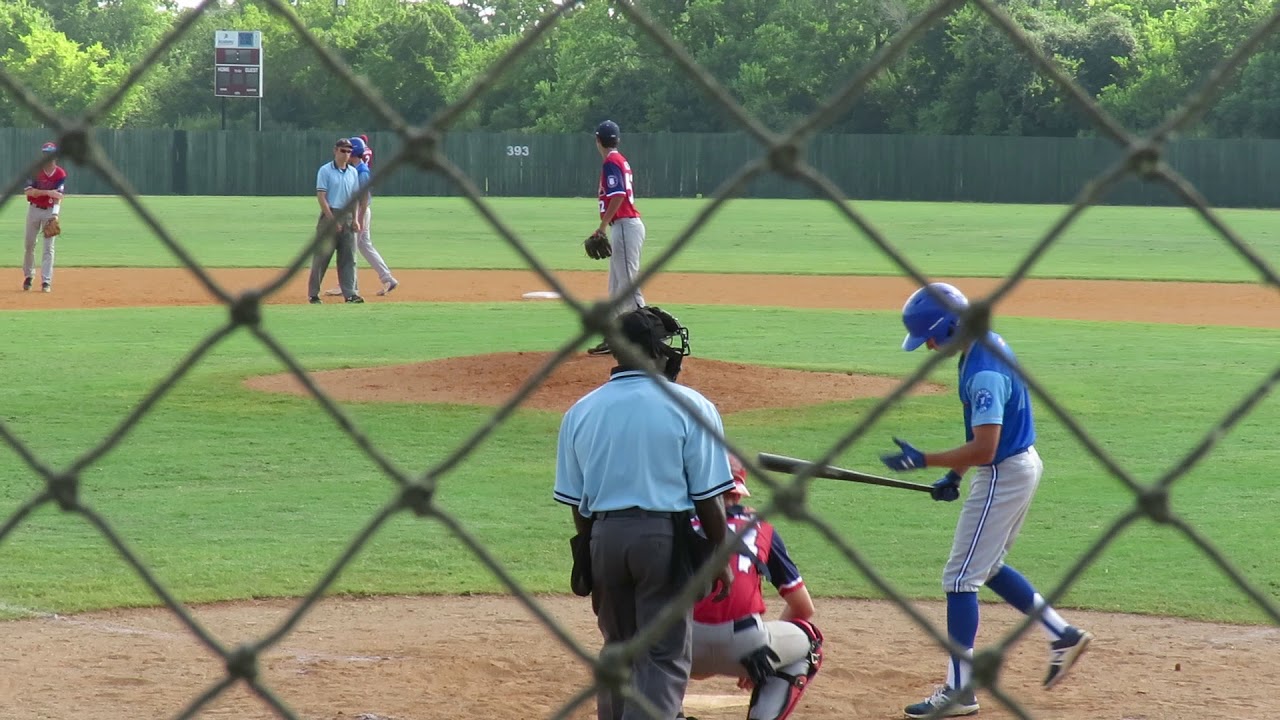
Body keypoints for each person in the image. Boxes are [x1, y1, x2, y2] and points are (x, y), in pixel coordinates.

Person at [879, 282, 1094, 719]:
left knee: (960, 579)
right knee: (987, 566)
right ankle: (1062, 634)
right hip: (1016, 465)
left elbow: (986, 448)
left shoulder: (983, 373)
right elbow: (979, 441)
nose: (929, 348)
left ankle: (960, 690)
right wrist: (953, 474)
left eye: (932, 338)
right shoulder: (985, 344)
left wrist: (924, 459)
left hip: (1003, 472)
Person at [554, 306, 736, 720]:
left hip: (603, 539)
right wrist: (719, 558)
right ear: (655, 348)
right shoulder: (691, 406)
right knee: (662, 654)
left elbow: (576, 501)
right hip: (662, 541)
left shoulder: (581, 411)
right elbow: (708, 499)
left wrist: (590, 552)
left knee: (618, 650)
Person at [685, 454, 824, 720]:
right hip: (745, 646)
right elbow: (803, 608)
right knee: (810, 639)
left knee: (636, 634)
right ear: (739, 494)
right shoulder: (761, 528)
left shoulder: (676, 526)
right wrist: (763, 658)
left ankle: (669, 713)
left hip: (683, 646)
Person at [585, 120, 646, 357]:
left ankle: (647, 334)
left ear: (598, 140)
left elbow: (618, 196)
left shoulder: (611, 161)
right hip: (623, 226)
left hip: (624, 226)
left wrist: (601, 227)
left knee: (628, 285)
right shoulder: (618, 159)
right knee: (616, 286)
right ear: (617, 140)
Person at [324, 135, 398, 298]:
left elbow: (364, 199)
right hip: (358, 212)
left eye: (350, 151)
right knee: (365, 245)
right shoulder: (356, 169)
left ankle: (344, 285)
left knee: (349, 249)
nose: (347, 154)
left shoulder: (361, 171)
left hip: (359, 212)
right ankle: (388, 278)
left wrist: (359, 219)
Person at [308, 138, 364, 305]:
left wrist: (355, 219)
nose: (346, 154)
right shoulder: (325, 170)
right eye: (343, 150)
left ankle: (350, 294)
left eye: (349, 151)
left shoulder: (353, 172)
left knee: (349, 257)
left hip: (347, 215)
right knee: (322, 257)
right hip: (330, 214)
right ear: (335, 150)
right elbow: (321, 197)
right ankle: (313, 294)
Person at [22, 142, 66, 293]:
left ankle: (46, 281)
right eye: (46, 154)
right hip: (34, 210)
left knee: (48, 248)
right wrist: (48, 193)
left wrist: (55, 214)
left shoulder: (60, 174)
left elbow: (58, 196)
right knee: (29, 245)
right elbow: (28, 192)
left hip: (49, 212)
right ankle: (29, 276)